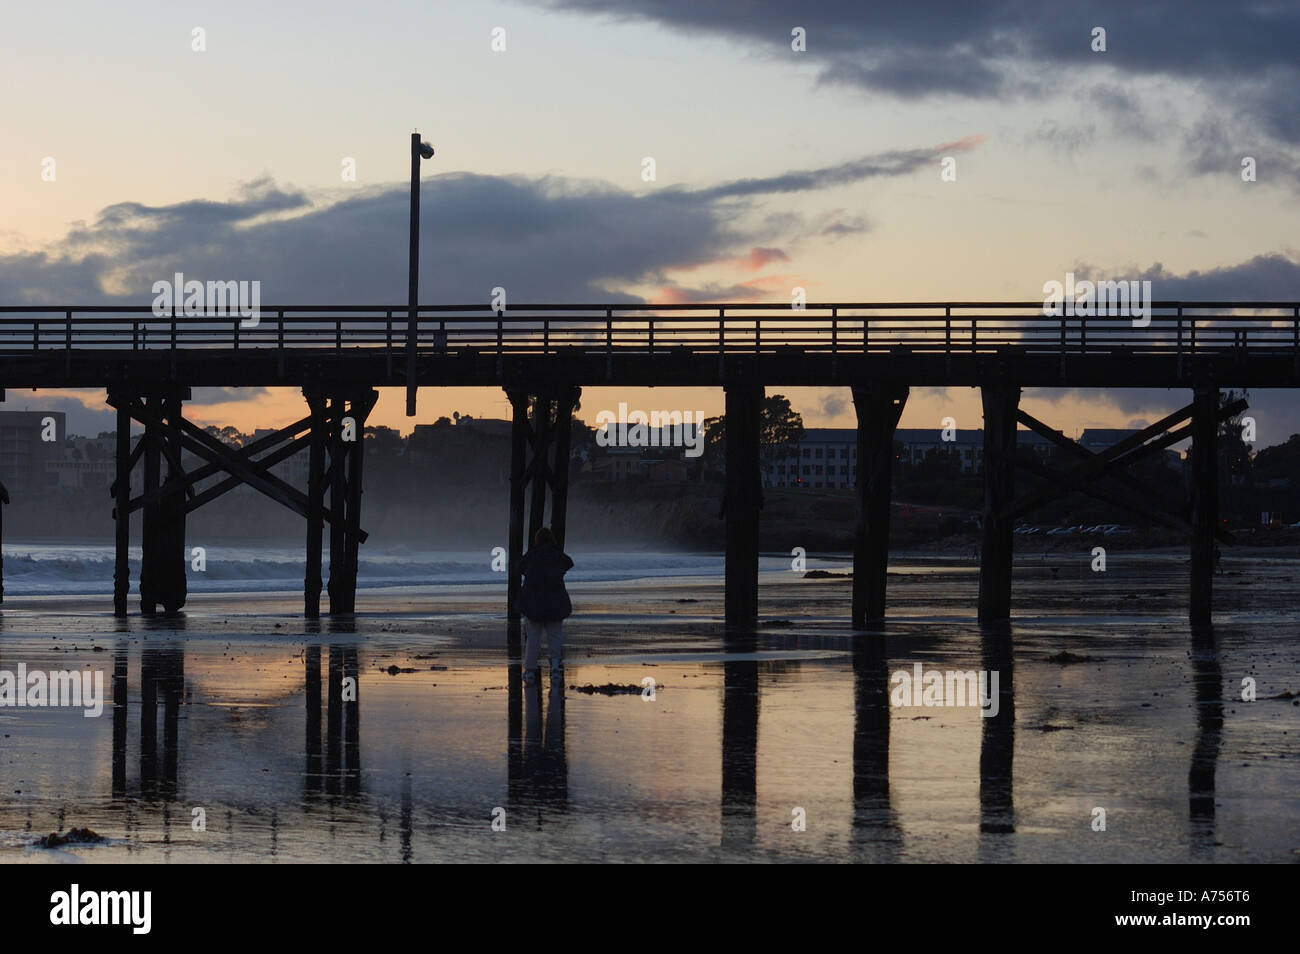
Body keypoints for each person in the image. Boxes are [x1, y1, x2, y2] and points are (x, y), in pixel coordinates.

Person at [518, 526, 574, 684]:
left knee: (533, 637)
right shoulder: (557, 556)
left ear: (537, 540)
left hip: (534, 600)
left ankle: (529, 671)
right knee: (555, 635)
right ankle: (555, 667)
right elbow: (569, 563)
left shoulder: (532, 555)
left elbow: (520, 566)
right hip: (555, 599)